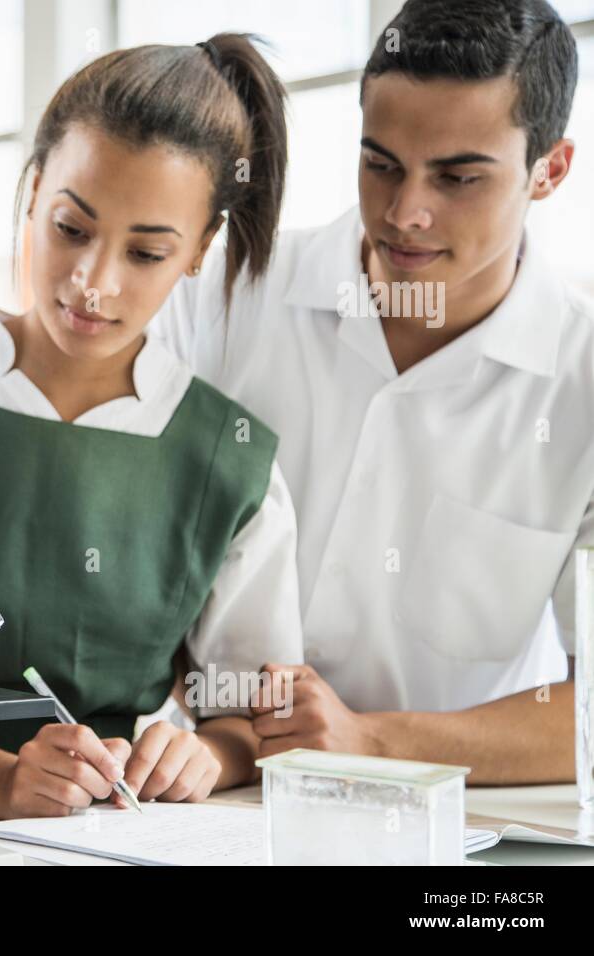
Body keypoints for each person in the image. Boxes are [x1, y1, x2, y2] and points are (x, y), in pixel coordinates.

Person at [157, 0, 587, 782]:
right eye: (381, 163)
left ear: (550, 170)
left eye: (458, 177)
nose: (404, 213)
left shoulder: (583, 377)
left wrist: (372, 741)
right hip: (206, 793)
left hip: (457, 823)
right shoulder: (217, 294)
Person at [0, 37, 304, 819]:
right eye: (71, 229)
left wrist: (204, 754)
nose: (95, 283)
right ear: (32, 195)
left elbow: (248, 719)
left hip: (111, 831)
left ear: (198, 253)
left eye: (148, 251)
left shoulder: (229, 462)